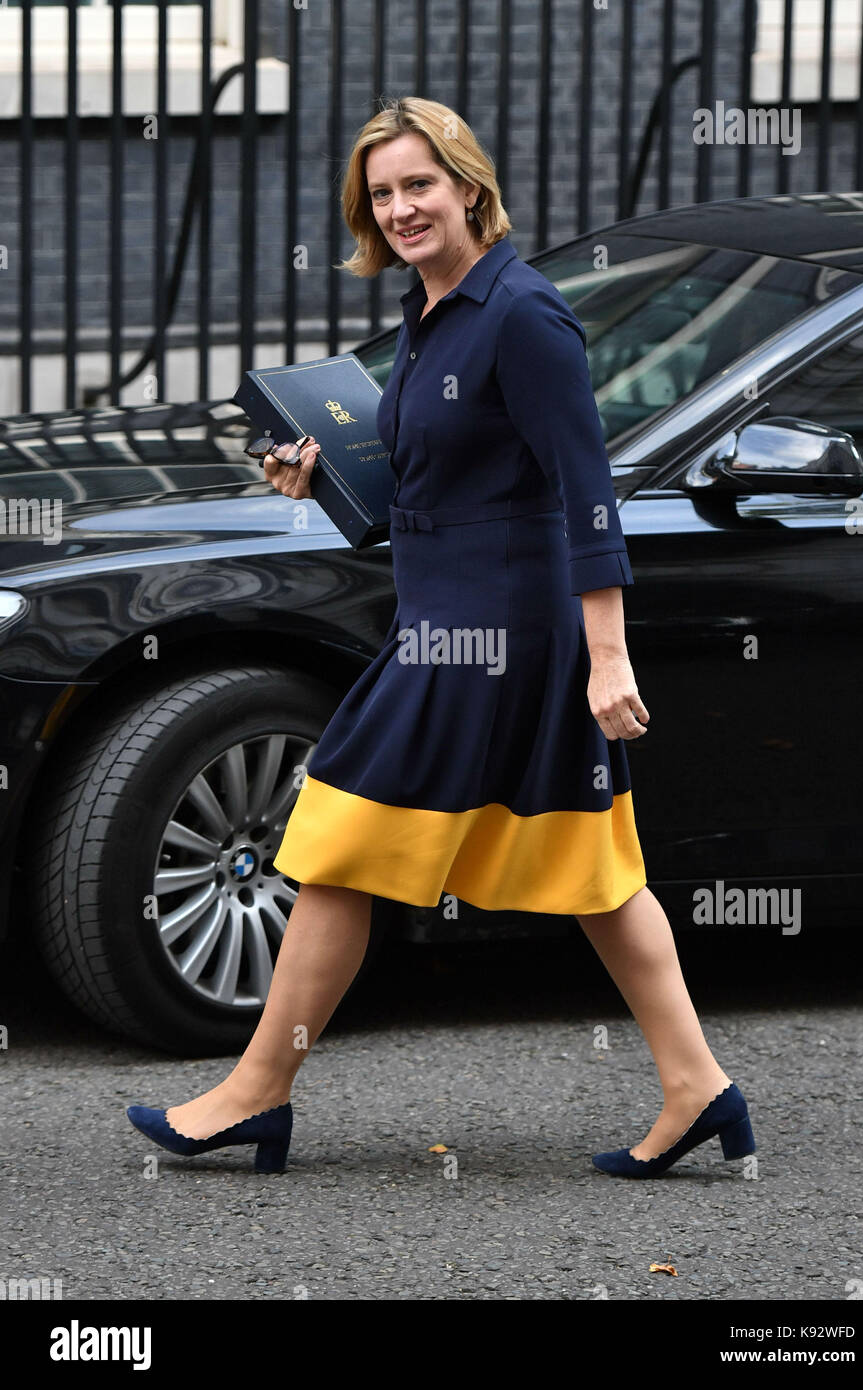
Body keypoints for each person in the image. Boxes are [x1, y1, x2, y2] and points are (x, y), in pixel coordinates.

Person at [127, 96, 754, 1179]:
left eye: (419, 183)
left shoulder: (523, 315)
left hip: (490, 635)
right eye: (381, 193)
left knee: (331, 844)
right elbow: (429, 480)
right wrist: (319, 479)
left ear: (468, 184)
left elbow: (584, 490)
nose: (402, 206)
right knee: (591, 867)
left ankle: (255, 1092)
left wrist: (607, 657)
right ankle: (698, 1087)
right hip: (449, 618)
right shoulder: (431, 311)